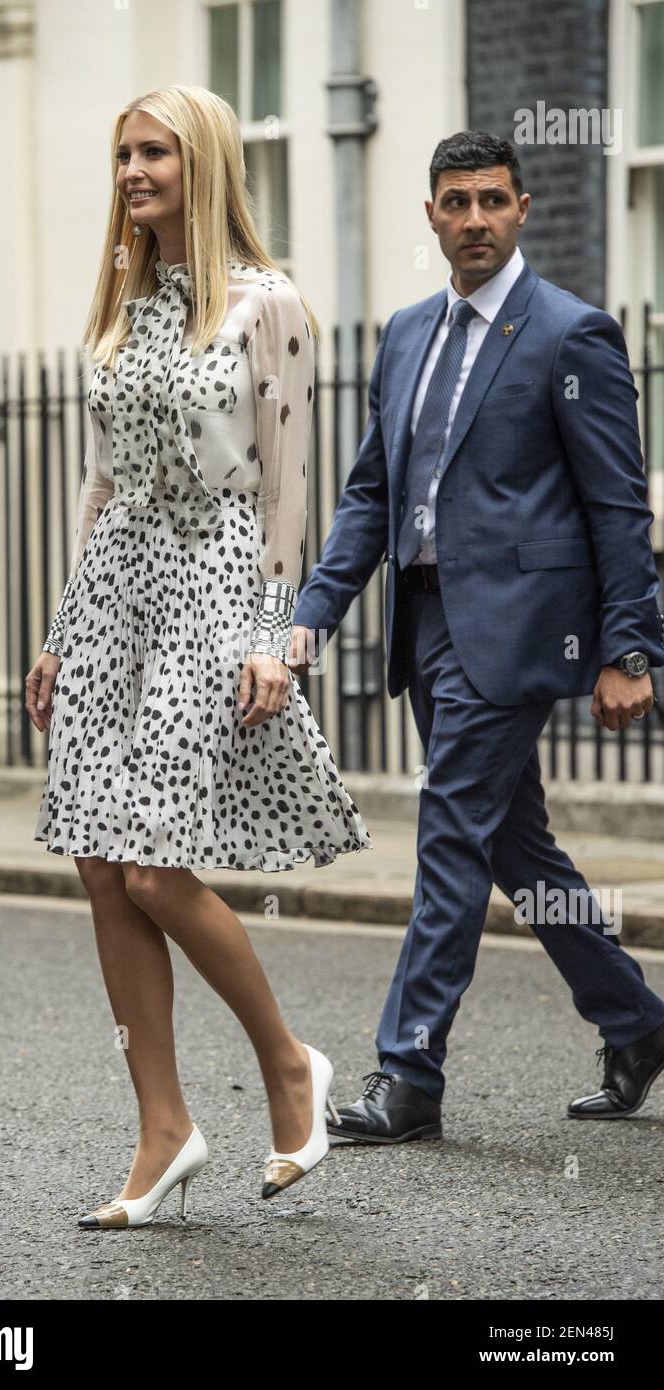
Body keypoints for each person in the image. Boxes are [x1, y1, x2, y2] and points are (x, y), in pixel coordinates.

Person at [24, 84, 371, 1226]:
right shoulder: (121, 308)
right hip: (115, 587)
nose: (131, 170)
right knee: (92, 856)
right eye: (122, 151)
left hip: (215, 585)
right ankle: (163, 1128)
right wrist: (62, 632)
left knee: (155, 865)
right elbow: (101, 483)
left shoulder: (267, 305)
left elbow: (286, 486)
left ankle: (287, 1065)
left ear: (202, 161)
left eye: (153, 151)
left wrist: (278, 636)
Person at [289, 129, 664, 1145]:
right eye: (453, 203)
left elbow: (616, 505)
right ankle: (636, 1023)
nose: (472, 221)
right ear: (429, 216)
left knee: (450, 833)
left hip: (518, 630)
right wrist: (309, 617)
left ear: (521, 208)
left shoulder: (569, 333)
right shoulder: (406, 333)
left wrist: (631, 650)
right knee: (515, 846)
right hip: (426, 623)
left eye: (490, 201)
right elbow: (372, 493)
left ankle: (407, 1073)